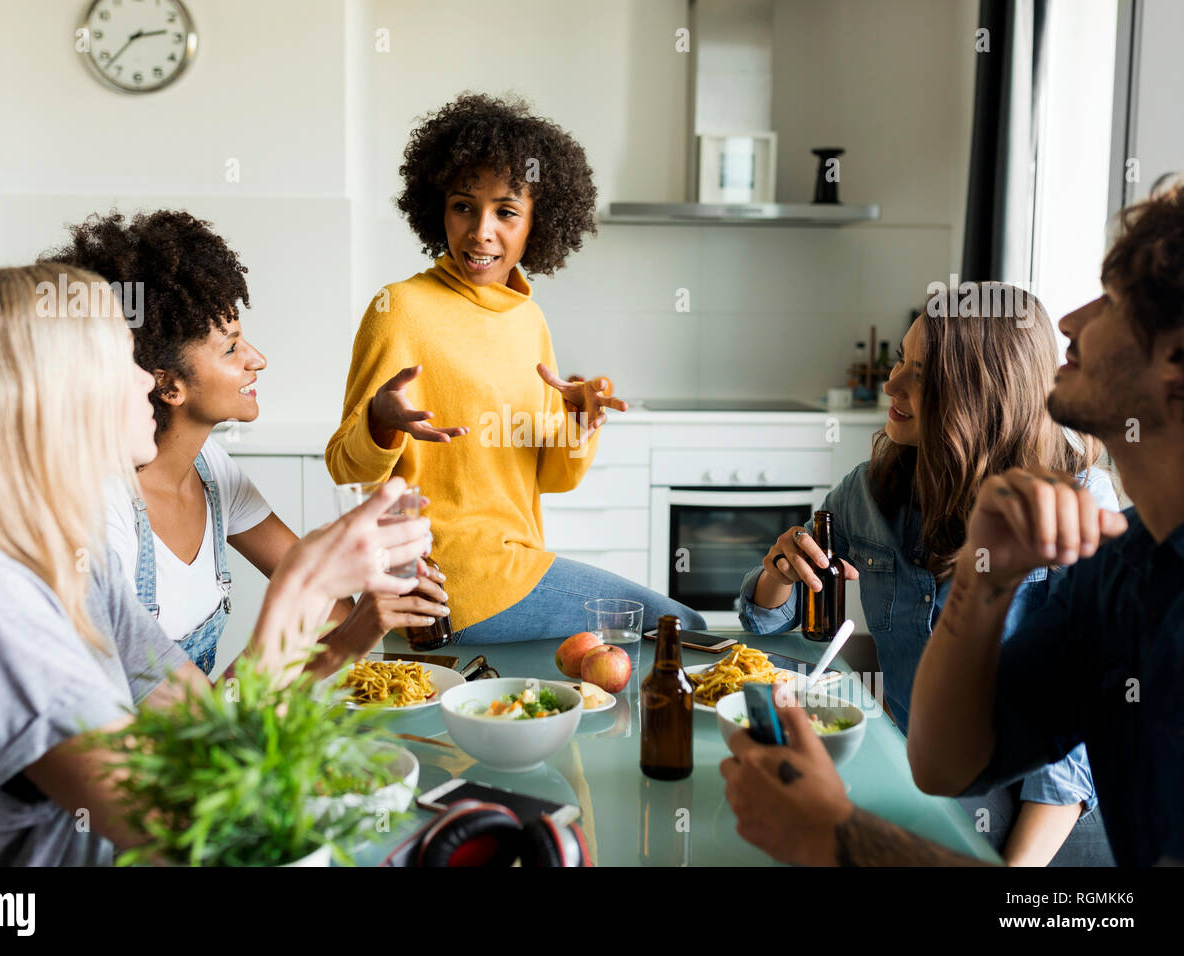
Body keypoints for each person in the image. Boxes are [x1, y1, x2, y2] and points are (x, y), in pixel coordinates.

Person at [0, 265, 431, 865]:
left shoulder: (63, 559)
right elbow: (178, 821)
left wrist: (346, 628)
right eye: (124, 359)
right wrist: (302, 589)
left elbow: (210, 732)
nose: (147, 379)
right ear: (58, 397)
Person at [721, 186, 1184, 867]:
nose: (1072, 322)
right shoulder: (1122, 573)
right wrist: (981, 580)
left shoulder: (1092, 526)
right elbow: (945, 766)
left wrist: (839, 837)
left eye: (1112, 301)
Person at [736, 285, 1115, 865]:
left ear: (981, 396)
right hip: (930, 772)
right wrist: (781, 572)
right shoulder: (871, 491)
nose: (891, 385)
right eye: (900, 361)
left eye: (921, 375)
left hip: (1049, 813)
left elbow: (1072, 752)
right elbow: (766, 621)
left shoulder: (1079, 502)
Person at [325, 93, 706, 643]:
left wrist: (578, 424)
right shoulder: (401, 308)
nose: (481, 231)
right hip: (447, 582)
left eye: (506, 212)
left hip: (516, 565)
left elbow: (553, 478)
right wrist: (379, 424)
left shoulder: (529, 319)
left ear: (537, 224)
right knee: (680, 629)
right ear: (439, 208)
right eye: (463, 206)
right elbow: (345, 467)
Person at [41, 211, 448, 677]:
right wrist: (316, 597)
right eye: (231, 348)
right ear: (166, 385)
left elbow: (334, 613)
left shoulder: (210, 468)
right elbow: (199, 728)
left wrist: (366, 609)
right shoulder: (102, 513)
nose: (258, 360)